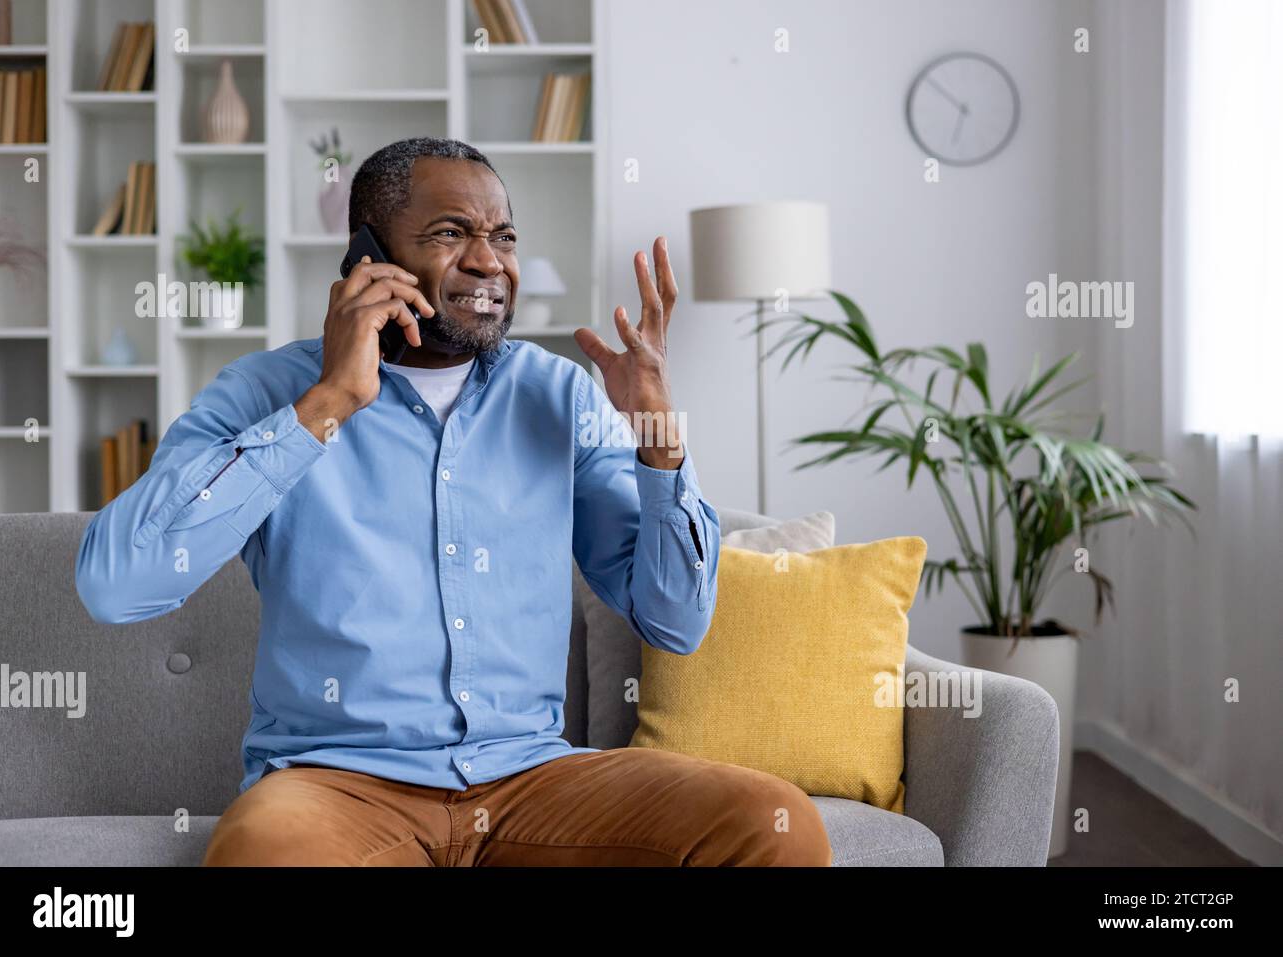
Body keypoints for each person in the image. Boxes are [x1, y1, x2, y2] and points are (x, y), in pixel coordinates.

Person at [75, 136, 832, 866]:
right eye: (450, 232)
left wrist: (660, 440)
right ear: (368, 257)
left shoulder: (559, 393)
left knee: (775, 826)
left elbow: (675, 621)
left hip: (531, 780)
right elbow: (117, 583)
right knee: (263, 854)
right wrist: (330, 401)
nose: (489, 261)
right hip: (338, 786)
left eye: (502, 235)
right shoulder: (269, 392)